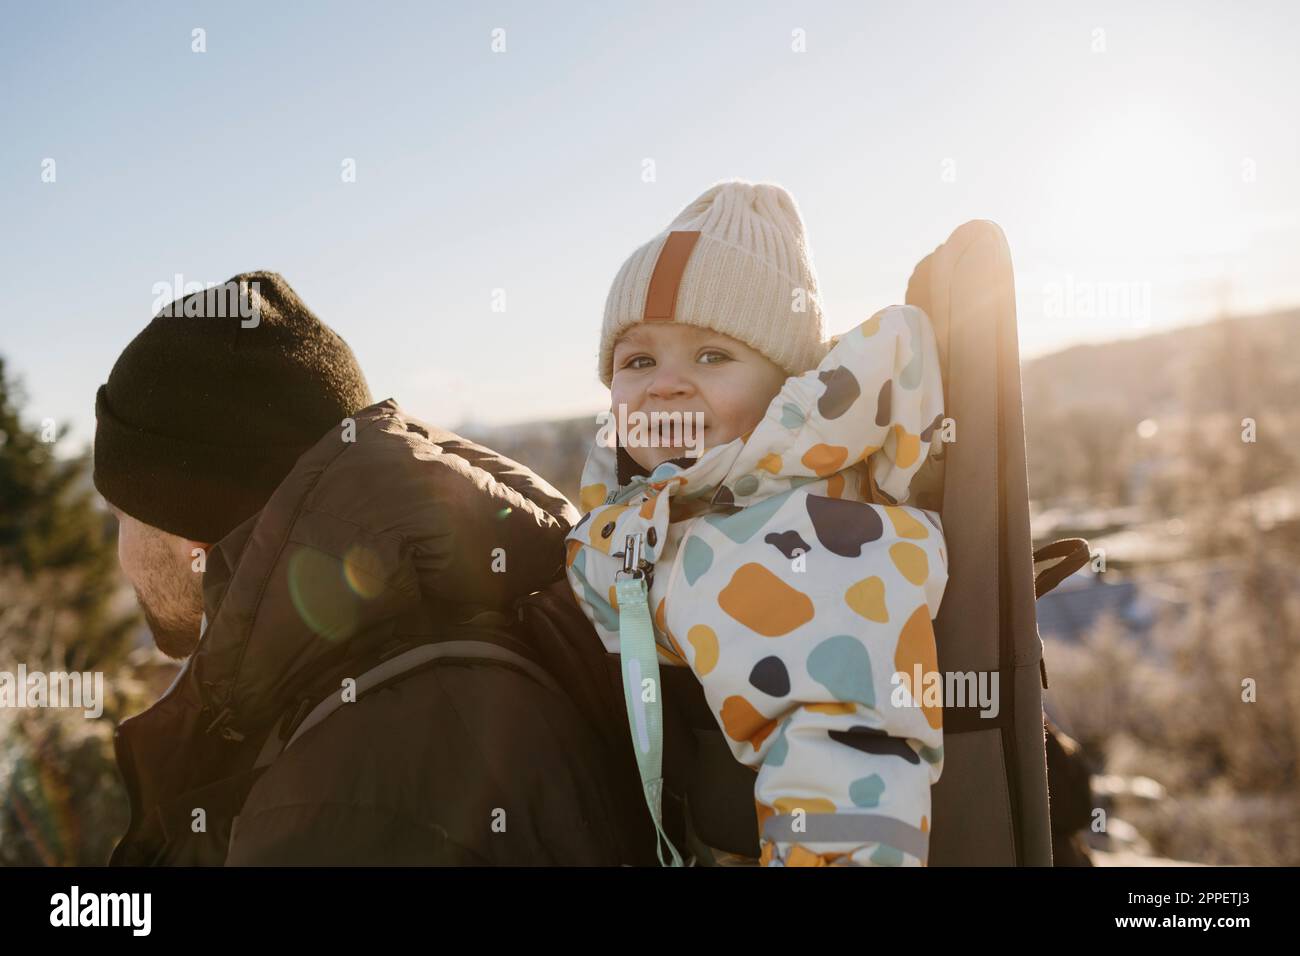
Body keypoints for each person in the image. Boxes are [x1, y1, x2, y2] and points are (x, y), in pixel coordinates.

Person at [94, 271, 635, 865]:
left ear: (186, 531)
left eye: (122, 515)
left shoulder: (351, 795)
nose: (119, 556)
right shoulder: (371, 685)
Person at [565, 180, 949, 865]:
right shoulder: (680, 507)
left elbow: (848, 773)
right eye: (638, 360)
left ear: (788, 387)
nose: (665, 385)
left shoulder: (811, 546)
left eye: (713, 355)